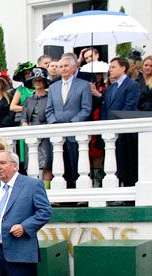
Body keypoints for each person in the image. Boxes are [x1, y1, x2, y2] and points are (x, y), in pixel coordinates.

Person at [46, 53, 93, 188]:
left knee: (77, 163)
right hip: (57, 132)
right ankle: (62, 195)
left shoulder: (83, 85)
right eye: (61, 66)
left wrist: (72, 123)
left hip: (75, 131)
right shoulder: (53, 87)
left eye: (66, 66)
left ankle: (80, 196)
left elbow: (86, 109)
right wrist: (54, 123)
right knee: (60, 164)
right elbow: (49, 110)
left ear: (73, 67)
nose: (63, 69)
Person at [101, 57, 141, 187]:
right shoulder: (110, 88)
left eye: (113, 67)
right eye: (110, 67)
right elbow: (105, 109)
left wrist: (116, 124)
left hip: (125, 132)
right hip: (111, 132)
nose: (110, 70)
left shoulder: (132, 85)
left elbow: (129, 107)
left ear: (123, 68)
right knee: (115, 163)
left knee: (127, 163)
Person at [20, 68, 53, 183]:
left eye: (40, 80)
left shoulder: (50, 97)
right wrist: (25, 126)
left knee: (47, 162)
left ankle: (46, 190)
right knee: (32, 162)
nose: (38, 82)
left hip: (46, 133)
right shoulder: (29, 99)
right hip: (31, 133)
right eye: (35, 80)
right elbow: (24, 117)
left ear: (44, 82)